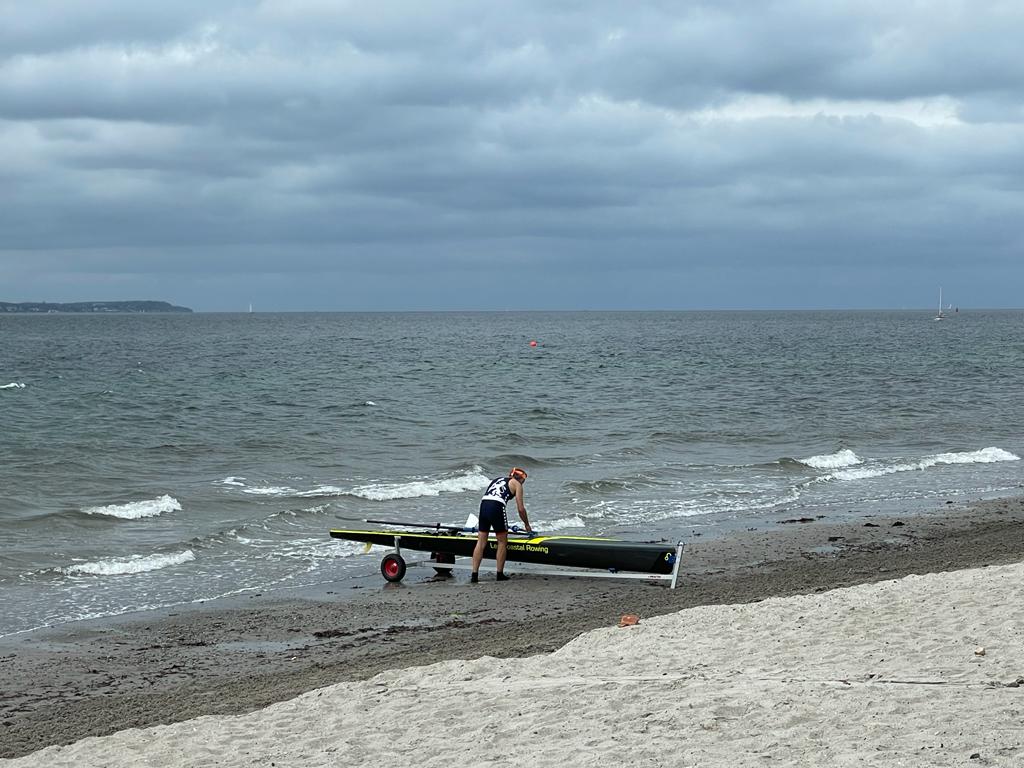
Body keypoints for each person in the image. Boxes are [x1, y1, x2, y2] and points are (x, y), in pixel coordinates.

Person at [471, 467, 532, 583]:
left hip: (484, 505)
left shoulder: (497, 480)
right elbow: (521, 509)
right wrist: (527, 525)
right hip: (496, 506)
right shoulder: (517, 484)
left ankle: (474, 575)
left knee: (481, 541)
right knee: (502, 541)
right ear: (521, 479)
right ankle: (499, 574)